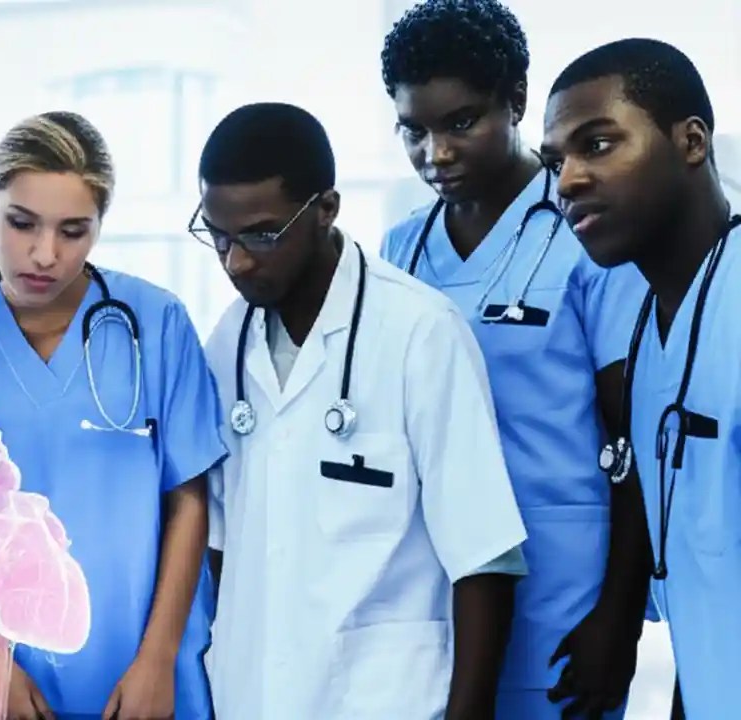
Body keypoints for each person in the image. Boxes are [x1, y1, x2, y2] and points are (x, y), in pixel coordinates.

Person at [197, 102, 528, 719]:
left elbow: (485, 558)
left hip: (383, 697)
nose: (236, 260)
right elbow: (219, 544)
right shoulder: (228, 340)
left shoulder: (419, 333)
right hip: (251, 694)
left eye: (262, 235)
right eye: (219, 235)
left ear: (325, 209)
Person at [378, 2, 653, 717]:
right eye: (415, 129)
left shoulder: (586, 232)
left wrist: (616, 624)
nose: (435, 153)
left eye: (461, 123)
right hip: (432, 598)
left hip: (561, 597)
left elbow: (632, 443)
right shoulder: (399, 251)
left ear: (517, 103)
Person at [0, 110, 226, 719]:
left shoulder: (156, 324)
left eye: (73, 231)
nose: (44, 254)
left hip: (142, 670)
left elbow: (188, 499)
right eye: (22, 223)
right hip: (15, 681)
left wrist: (158, 660)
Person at [541, 37, 740, 720]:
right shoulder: (651, 332)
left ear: (691, 143)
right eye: (555, 161)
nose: (566, 181)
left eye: (596, 145)